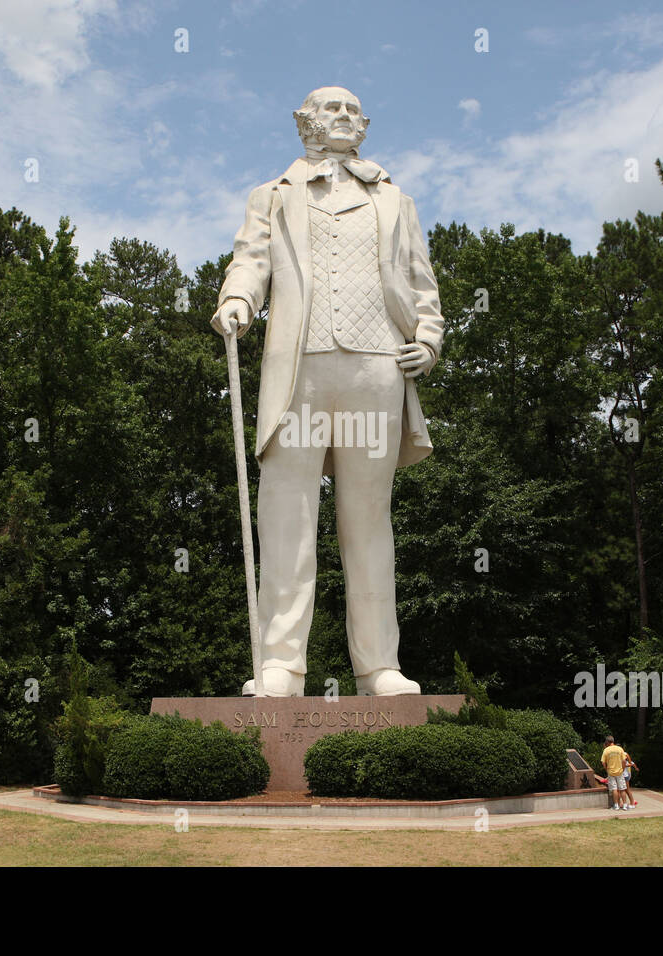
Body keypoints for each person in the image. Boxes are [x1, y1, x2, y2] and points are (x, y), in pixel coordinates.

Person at [212, 86, 444, 697]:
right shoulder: (273, 195)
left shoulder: (396, 200)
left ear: (364, 124)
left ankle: (378, 667)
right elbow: (250, 259)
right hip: (299, 371)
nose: (343, 117)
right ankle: (281, 665)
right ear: (305, 122)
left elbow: (422, 283)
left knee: (368, 519)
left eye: (352, 110)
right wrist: (237, 300)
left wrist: (430, 335)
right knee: (287, 515)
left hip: (376, 368)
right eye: (331, 109)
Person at [600, 735, 629, 810]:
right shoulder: (620, 749)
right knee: (622, 789)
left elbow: (603, 762)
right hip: (619, 772)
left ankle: (616, 805)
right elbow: (624, 760)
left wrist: (606, 769)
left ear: (607, 742)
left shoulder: (606, 750)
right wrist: (622, 769)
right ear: (613, 741)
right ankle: (625, 805)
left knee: (614, 789)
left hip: (611, 772)